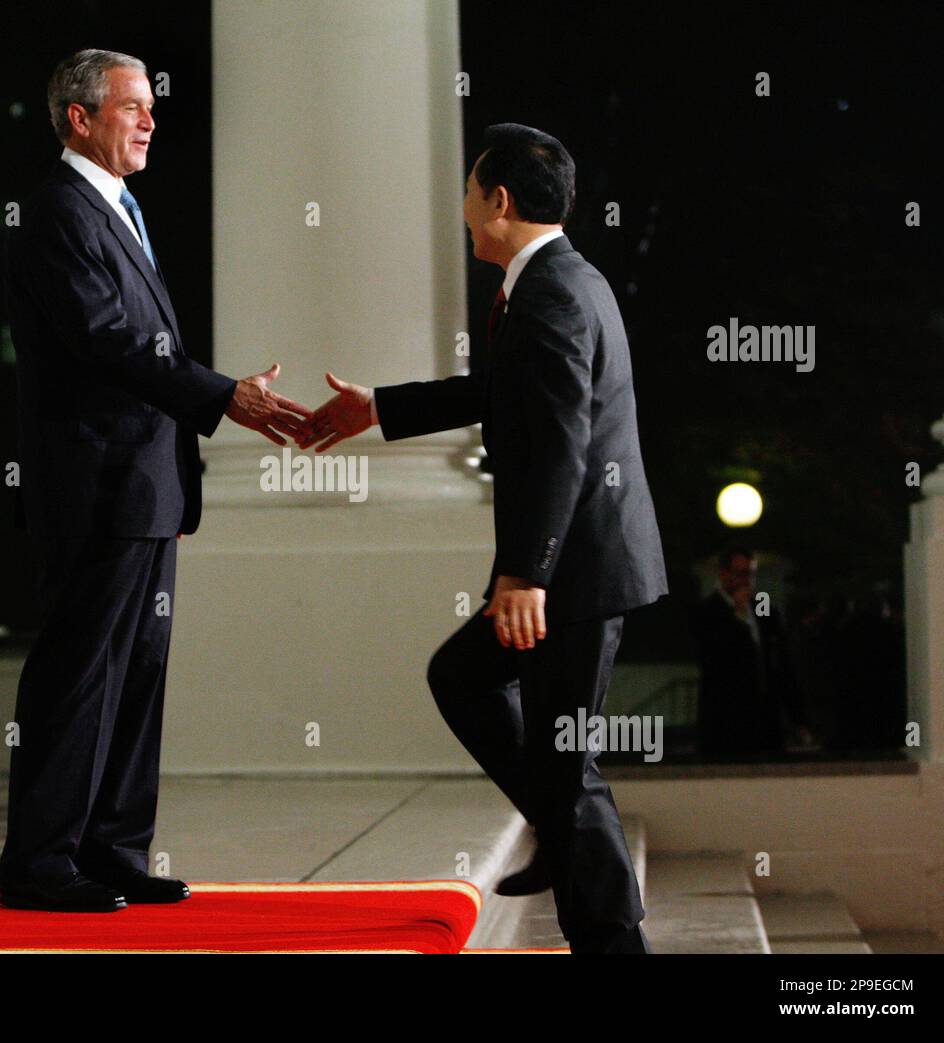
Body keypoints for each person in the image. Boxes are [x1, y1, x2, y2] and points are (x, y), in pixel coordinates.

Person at [298, 124, 668, 954]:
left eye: (469, 193)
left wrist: (525, 574)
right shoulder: (558, 280)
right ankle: (559, 835)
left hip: (575, 569)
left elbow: (565, 440)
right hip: (579, 560)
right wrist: (380, 406)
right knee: (470, 680)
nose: (463, 212)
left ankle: (612, 938)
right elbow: (504, 389)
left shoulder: (554, 291)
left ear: (498, 200)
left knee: (563, 761)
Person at [0, 49, 310, 912]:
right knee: (79, 672)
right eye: (132, 107)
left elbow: (146, 347)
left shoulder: (118, 209)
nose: (150, 119)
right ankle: (41, 864)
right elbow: (109, 341)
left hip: (143, 485)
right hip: (92, 487)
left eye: (149, 107)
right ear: (78, 118)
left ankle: (112, 850)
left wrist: (188, 450)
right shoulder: (57, 211)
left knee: (138, 669)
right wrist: (226, 395)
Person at [690, 548, 809, 758]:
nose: (746, 581)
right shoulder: (706, 612)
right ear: (724, 574)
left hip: (764, 720)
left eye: (750, 574)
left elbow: (779, 663)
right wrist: (737, 618)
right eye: (740, 574)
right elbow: (713, 661)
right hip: (725, 722)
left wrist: (797, 717)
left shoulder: (763, 609)